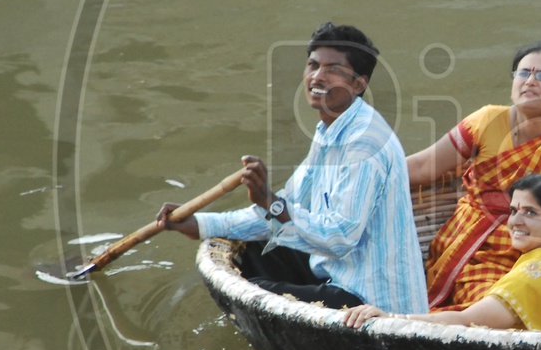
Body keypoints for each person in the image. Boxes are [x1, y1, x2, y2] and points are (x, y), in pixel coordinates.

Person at [154, 22, 429, 314]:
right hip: (338, 274)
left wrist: (270, 202)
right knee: (252, 255)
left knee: (254, 294)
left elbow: (339, 238)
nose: (317, 76)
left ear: (358, 85)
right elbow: (290, 202)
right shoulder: (330, 130)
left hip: (370, 301)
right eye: (313, 65)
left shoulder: (364, 143)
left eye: (333, 69)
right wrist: (199, 224)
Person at [408, 43, 541, 309]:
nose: (530, 81)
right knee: (498, 307)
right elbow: (424, 166)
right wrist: (369, 170)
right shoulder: (486, 121)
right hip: (476, 250)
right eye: (523, 73)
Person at [342, 175, 541, 332]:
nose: (515, 221)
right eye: (514, 210)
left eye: (530, 213)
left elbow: (466, 321)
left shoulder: (538, 272)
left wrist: (392, 317)